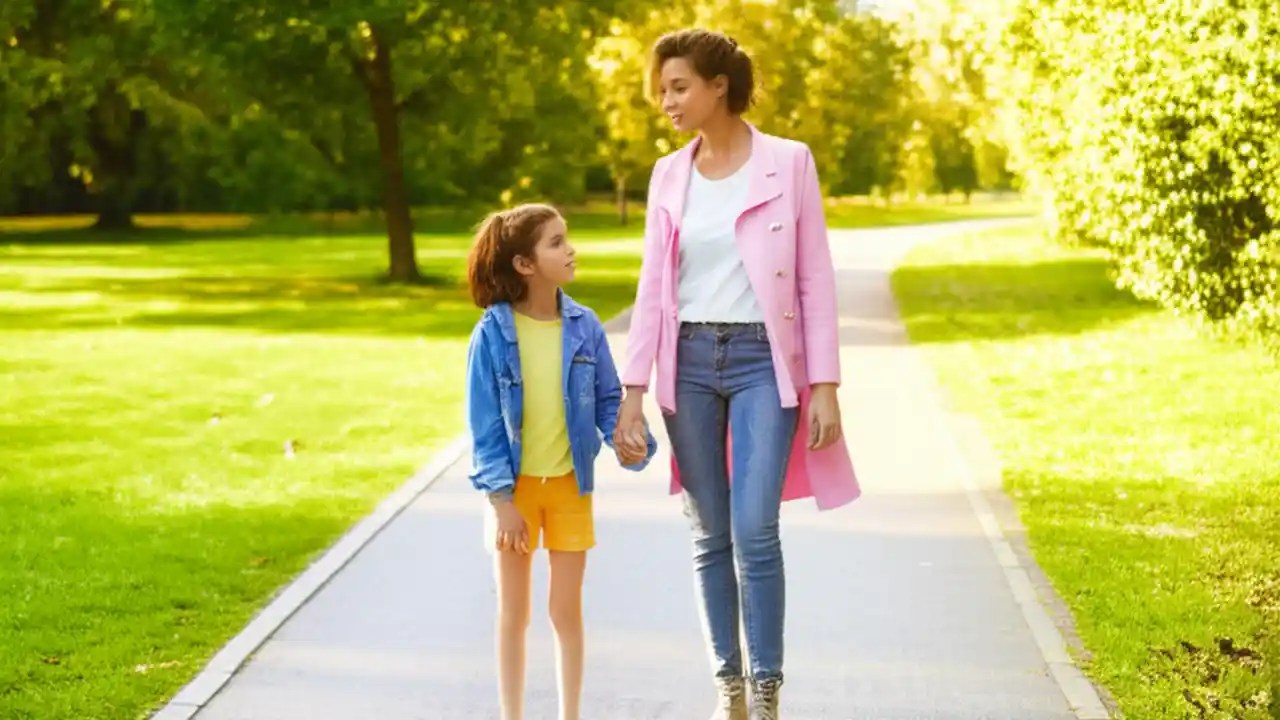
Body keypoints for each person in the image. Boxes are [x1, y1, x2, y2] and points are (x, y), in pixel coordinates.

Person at [611, 29, 860, 720]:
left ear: (719, 86)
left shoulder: (789, 162)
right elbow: (652, 287)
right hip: (687, 363)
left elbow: (814, 276)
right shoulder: (669, 173)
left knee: (754, 528)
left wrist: (825, 385)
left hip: (762, 362)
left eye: (679, 87)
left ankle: (767, 684)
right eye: (662, 90)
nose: (667, 101)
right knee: (708, 532)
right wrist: (632, 392)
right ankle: (729, 684)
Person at [464, 202, 657, 720]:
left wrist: (627, 438)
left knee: (566, 612)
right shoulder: (492, 333)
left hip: (571, 486)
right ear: (524, 264)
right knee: (514, 614)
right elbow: (484, 427)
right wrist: (501, 502)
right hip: (515, 493)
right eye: (556, 242)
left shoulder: (584, 325)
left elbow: (609, 400)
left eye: (566, 238)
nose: (570, 250)